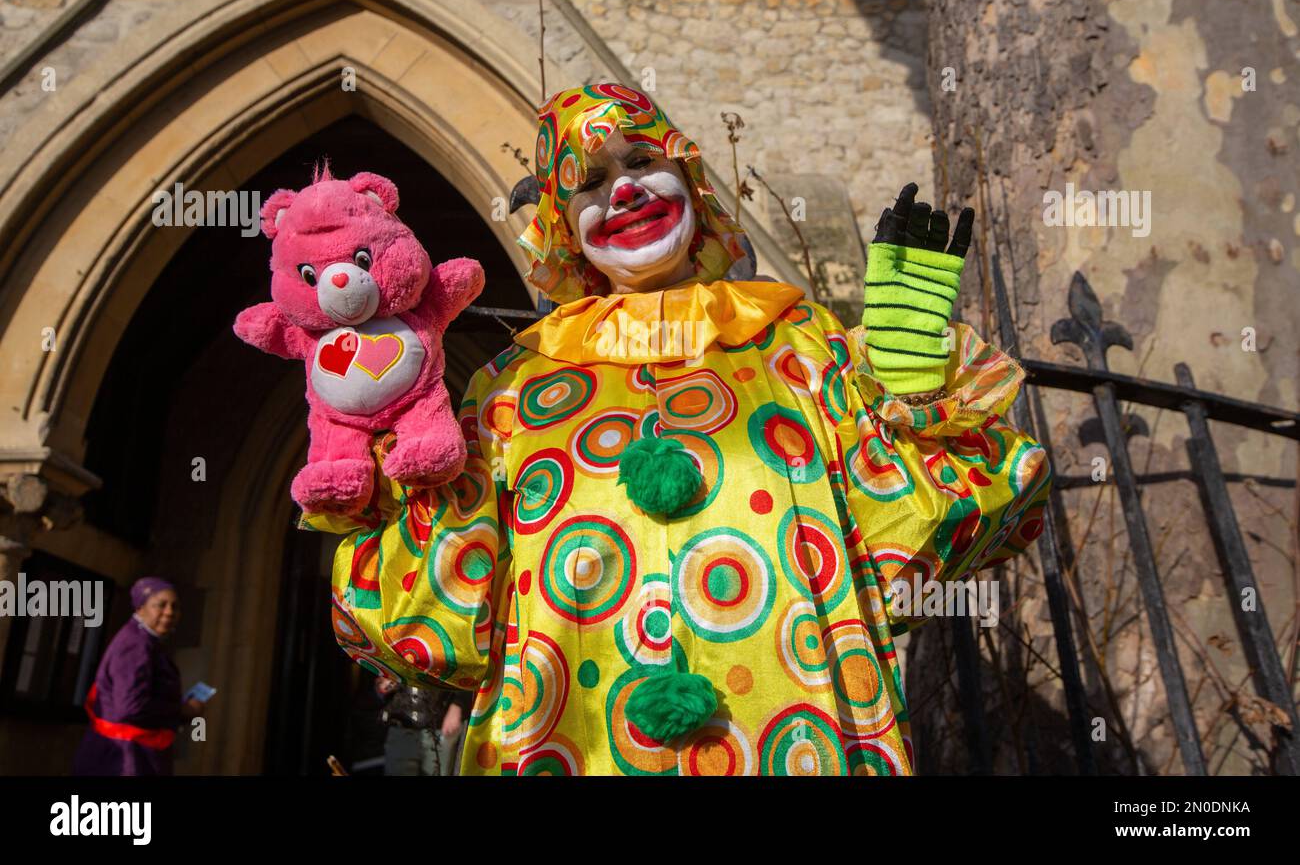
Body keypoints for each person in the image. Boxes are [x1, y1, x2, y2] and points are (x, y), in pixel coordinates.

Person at [305, 83, 1051, 775]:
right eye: (588, 182)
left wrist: (911, 382)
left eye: (640, 160)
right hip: (568, 735)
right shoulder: (513, 386)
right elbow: (440, 601)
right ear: (563, 223)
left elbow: (909, 528)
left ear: (689, 177)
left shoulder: (797, 347)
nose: (622, 189)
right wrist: (382, 452)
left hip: (792, 732)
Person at [73, 577, 204, 776]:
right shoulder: (135, 645)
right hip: (123, 760)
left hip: (136, 755)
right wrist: (183, 710)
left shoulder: (146, 642)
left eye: (175, 607)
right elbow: (130, 706)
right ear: (140, 608)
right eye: (160, 605)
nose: (169, 612)